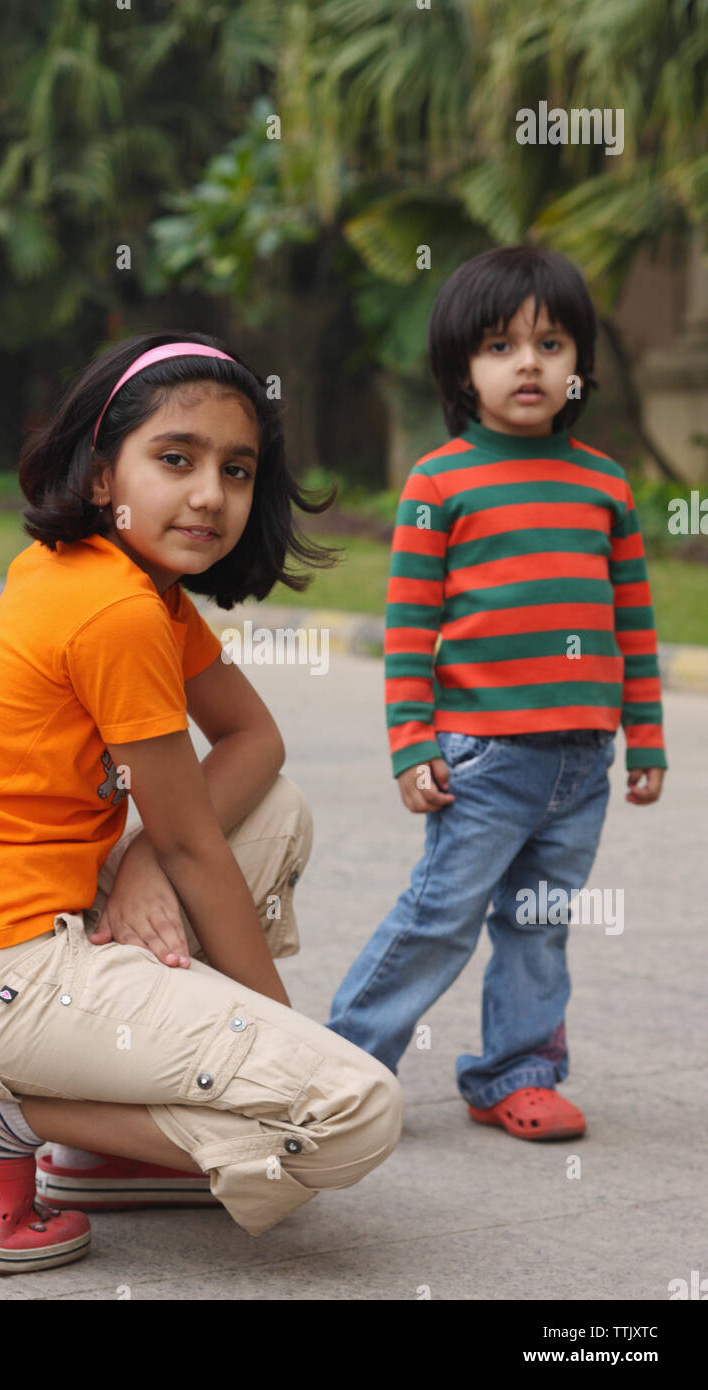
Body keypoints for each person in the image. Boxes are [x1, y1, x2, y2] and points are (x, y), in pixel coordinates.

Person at [0, 333, 403, 1274]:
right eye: (176, 458)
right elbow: (198, 846)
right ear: (103, 473)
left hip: (20, 934)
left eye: (236, 470)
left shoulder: (131, 587)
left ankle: (111, 1142)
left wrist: (145, 856)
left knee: (278, 808)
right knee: (354, 1110)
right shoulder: (111, 609)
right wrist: (282, 1055)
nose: (209, 494)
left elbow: (254, 745)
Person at [327, 246, 666, 1141]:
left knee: (538, 923)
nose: (528, 364)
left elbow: (634, 627)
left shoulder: (605, 486)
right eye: (499, 346)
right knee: (441, 918)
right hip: (483, 758)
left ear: (578, 365)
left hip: (584, 762)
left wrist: (649, 740)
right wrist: (412, 744)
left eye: (550, 343)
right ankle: (340, 1066)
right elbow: (408, 631)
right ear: (460, 370)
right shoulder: (441, 483)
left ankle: (517, 1071)